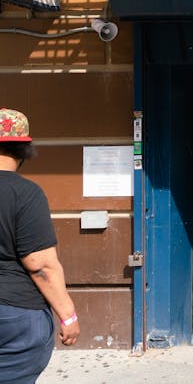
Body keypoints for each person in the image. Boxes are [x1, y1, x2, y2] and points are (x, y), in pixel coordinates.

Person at [0, 108, 80, 383]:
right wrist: (68, 316)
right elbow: (41, 266)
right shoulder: (25, 193)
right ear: (23, 150)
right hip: (14, 315)